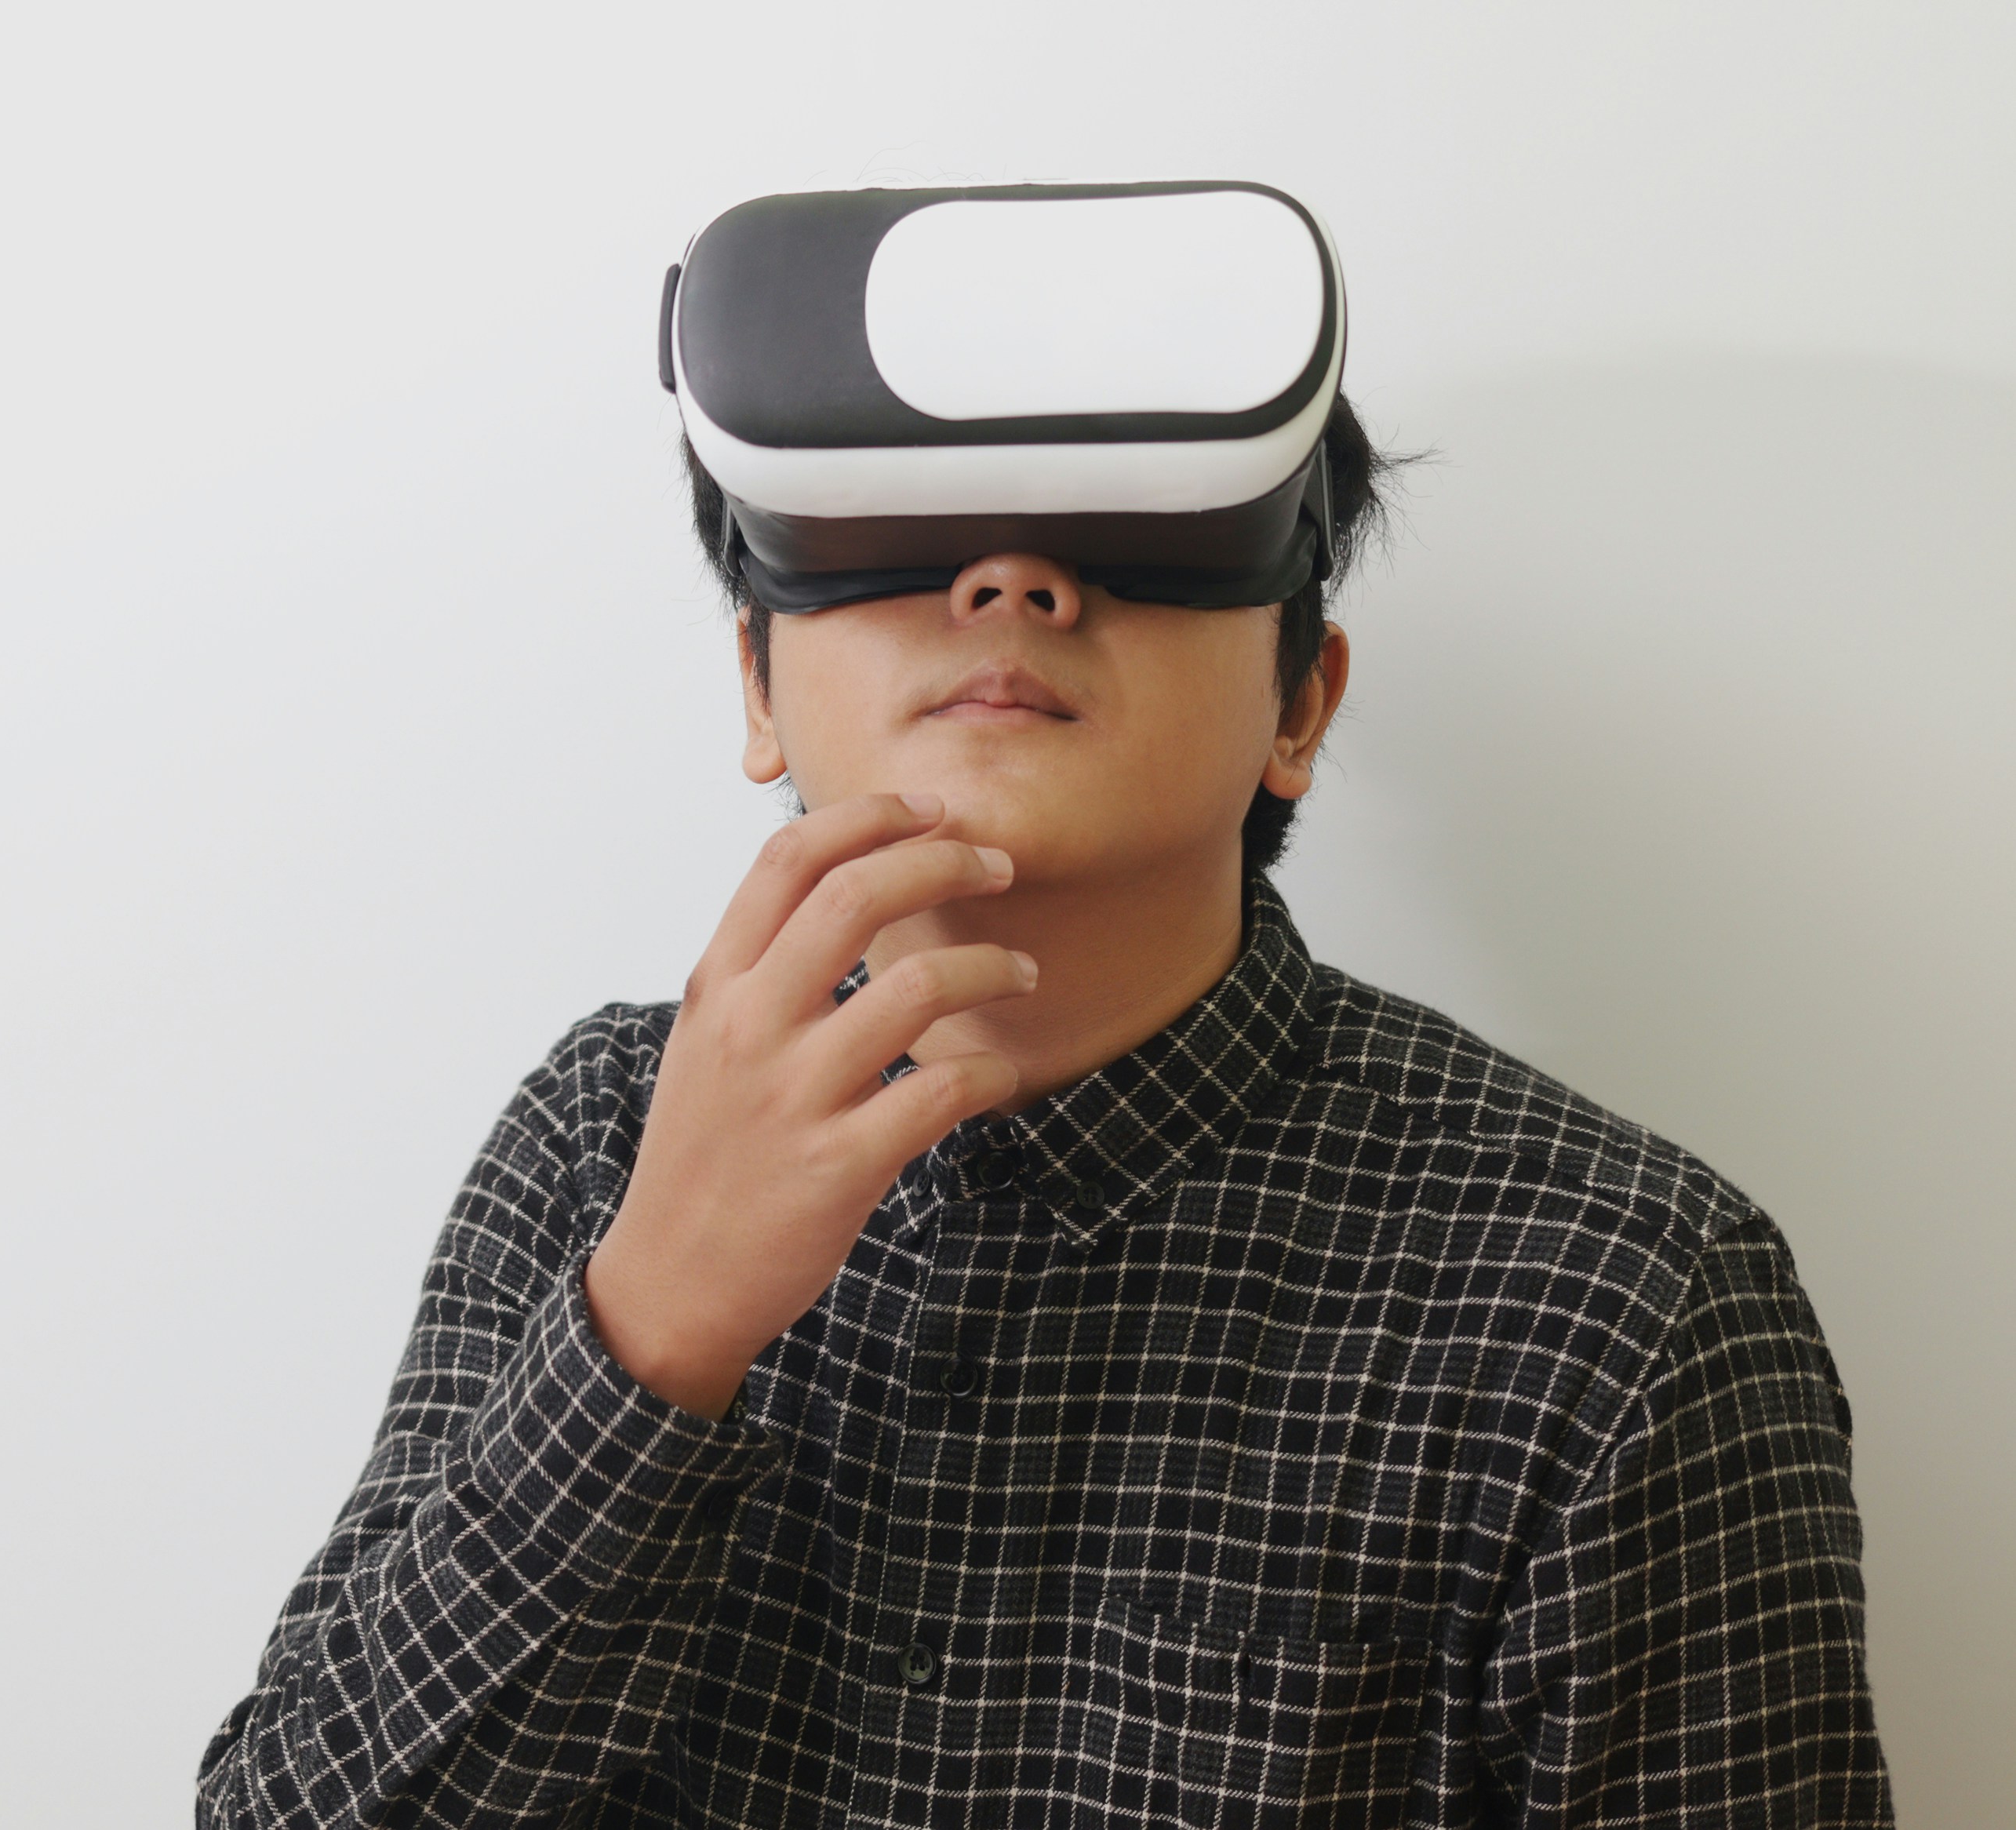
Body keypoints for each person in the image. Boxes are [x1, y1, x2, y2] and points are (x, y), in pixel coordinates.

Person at [197, 192, 1891, 1828]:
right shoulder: (597, 1138)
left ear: (1300, 703)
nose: (1009, 579)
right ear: (755, 686)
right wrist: (653, 1325)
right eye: (891, 533)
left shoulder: (1620, 1303)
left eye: (1133, 533)